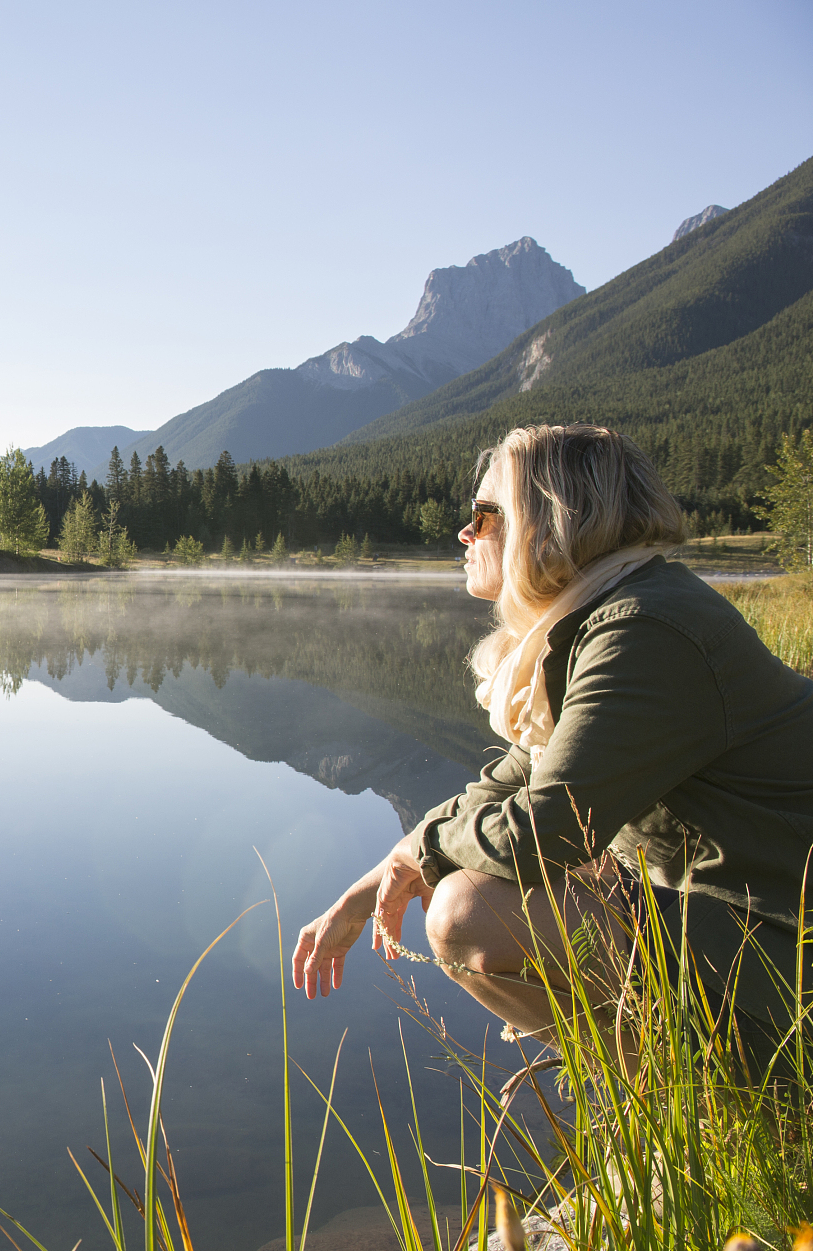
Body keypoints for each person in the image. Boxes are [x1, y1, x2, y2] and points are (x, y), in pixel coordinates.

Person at [291, 424, 813, 1043]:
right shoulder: (603, 614)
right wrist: (371, 885)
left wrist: (421, 856)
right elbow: (509, 782)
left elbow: (543, 831)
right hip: (731, 903)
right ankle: (675, 1082)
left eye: (484, 515)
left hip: (778, 935)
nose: (464, 533)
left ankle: (715, 1089)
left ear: (549, 520)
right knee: (484, 889)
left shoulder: (643, 631)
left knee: (468, 916)